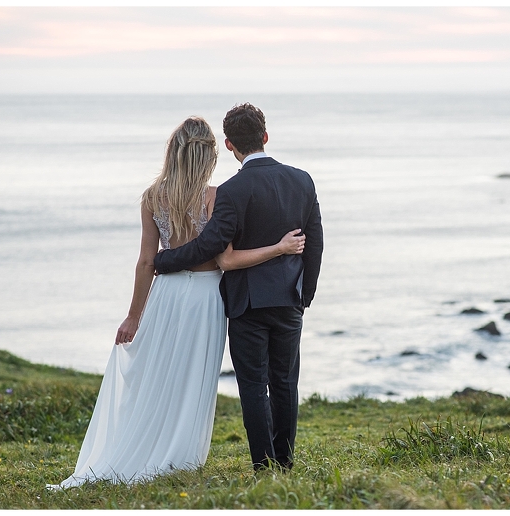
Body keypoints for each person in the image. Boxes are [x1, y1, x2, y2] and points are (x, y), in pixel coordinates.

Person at [49, 116, 305, 489]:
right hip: (207, 299)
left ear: (172, 152)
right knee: (193, 379)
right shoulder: (217, 196)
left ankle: (148, 446)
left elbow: (145, 262)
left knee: (159, 373)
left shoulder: (153, 197)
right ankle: (180, 453)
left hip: (166, 296)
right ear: (211, 156)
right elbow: (224, 259)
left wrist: (133, 316)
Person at [154, 103, 323, 471]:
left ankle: (263, 466)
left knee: (253, 386)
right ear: (265, 136)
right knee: (285, 382)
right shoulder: (302, 180)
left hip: (247, 304)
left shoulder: (232, 190)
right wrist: (304, 295)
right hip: (290, 301)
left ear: (230, 145)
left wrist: (162, 261)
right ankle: (285, 462)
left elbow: (209, 245)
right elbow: (316, 242)